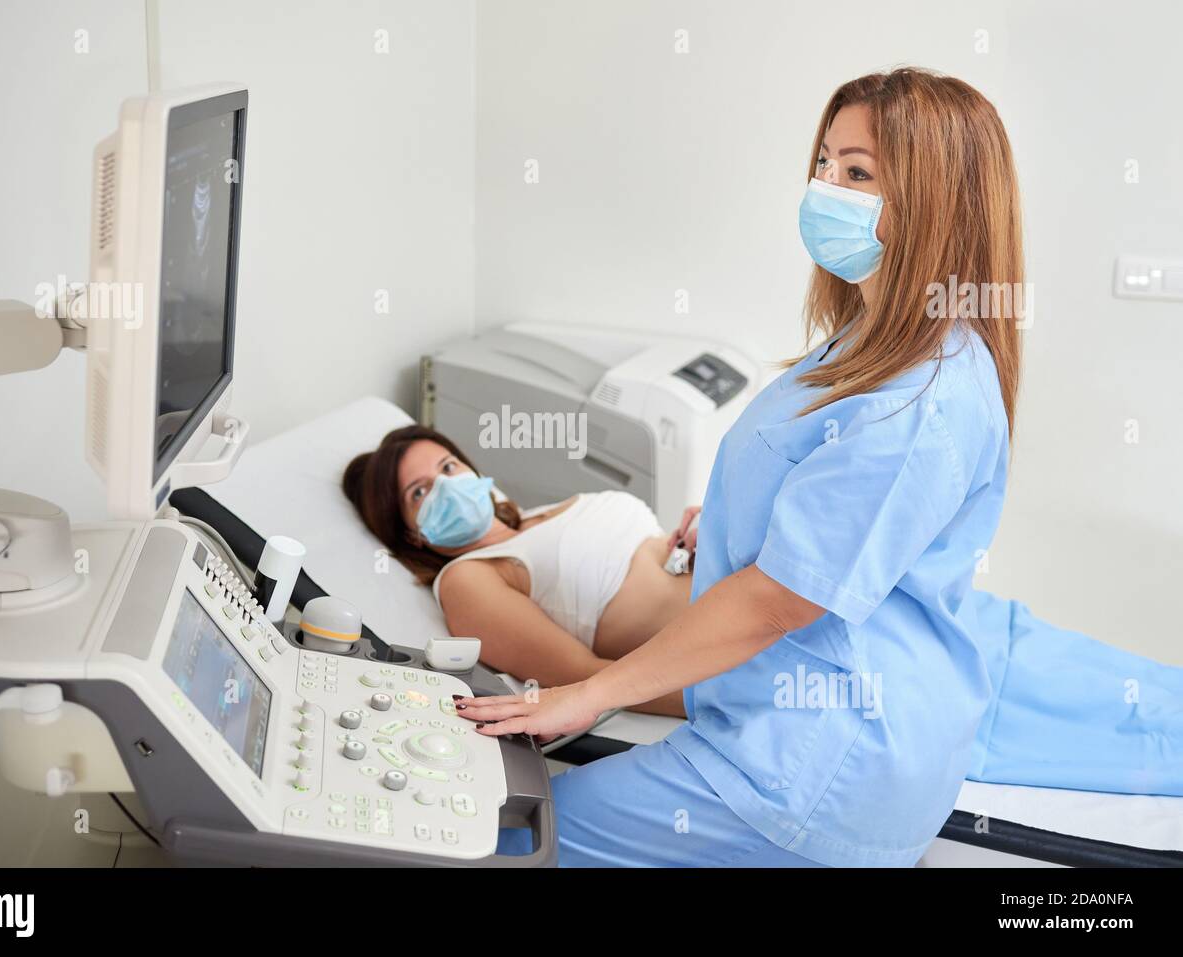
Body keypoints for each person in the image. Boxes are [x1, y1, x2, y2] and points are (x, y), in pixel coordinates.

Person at [456, 67, 1027, 867]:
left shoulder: (921, 394)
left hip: (814, 760)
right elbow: (816, 509)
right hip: (782, 711)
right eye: (825, 162)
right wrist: (733, 524)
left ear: (935, 201)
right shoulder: (872, 338)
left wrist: (585, 696)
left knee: (510, 840)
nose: (823, 186)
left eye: (857, 173)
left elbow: (774, 605)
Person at [342, 426, 703, 717]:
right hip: (727, 645)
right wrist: (718, 700)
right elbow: (582, 677)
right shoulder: (467, 580)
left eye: (448, 467)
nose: (447, 487)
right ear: (411, 534)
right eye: (420, 491)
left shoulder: (545, 513)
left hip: (741, 580)